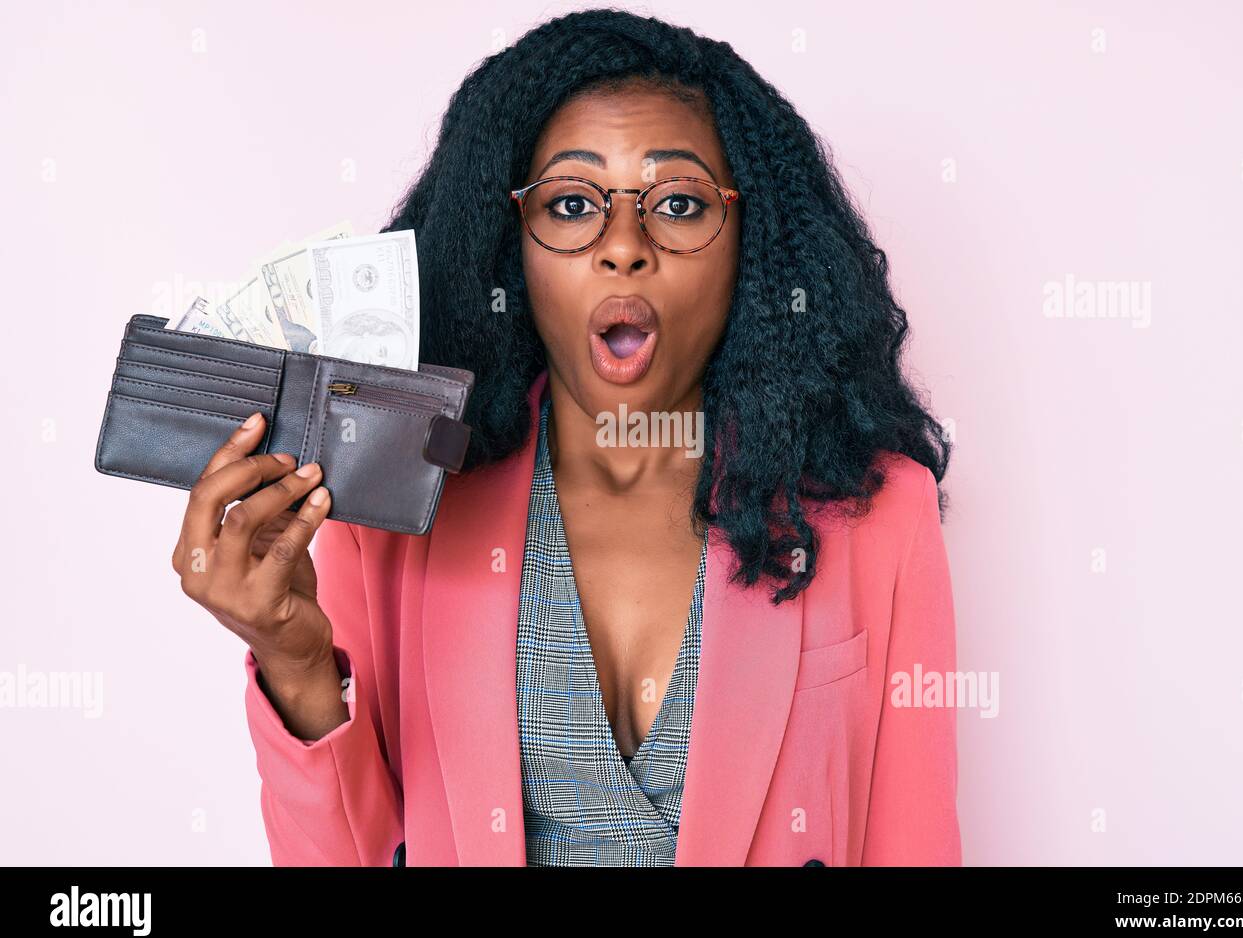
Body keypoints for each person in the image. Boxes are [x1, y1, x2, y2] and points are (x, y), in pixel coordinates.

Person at [173, 7, 959, 867]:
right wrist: (293, 660)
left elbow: (914, 844)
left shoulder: (877, 510)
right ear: (509, 250)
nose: (624, 247)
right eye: (574, 204)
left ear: (753, 244)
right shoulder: (401, 501)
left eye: (682, 204)